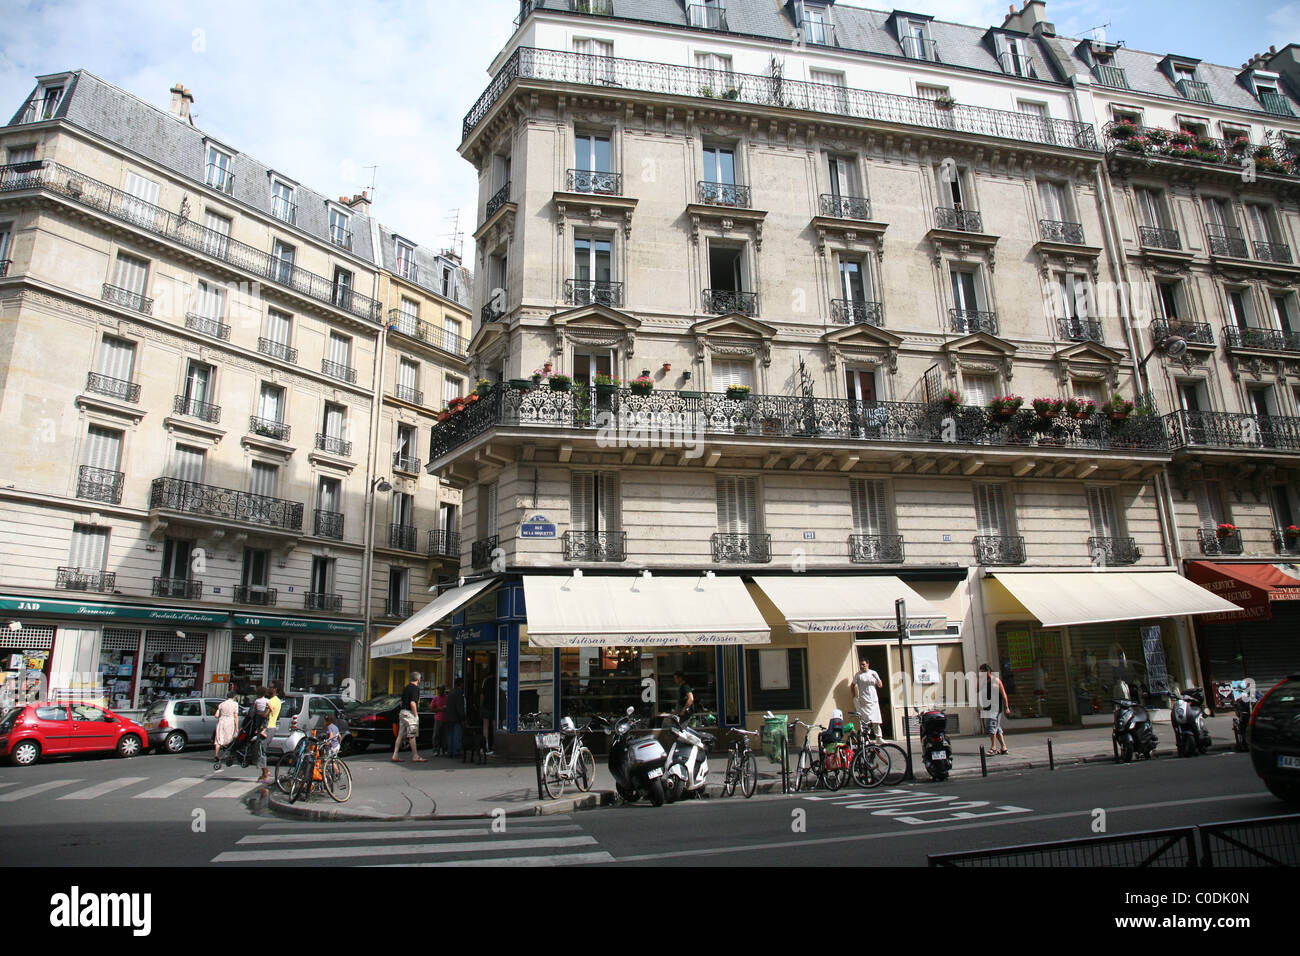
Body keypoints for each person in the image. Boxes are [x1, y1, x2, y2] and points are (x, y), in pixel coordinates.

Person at [392, 672, 426, 762]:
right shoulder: (415, 689)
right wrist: (416, 715)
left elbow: (402, 701)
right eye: (420, 678)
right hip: (409, 713)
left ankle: (395, 754)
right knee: (412, 735)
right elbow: (413, 703)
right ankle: (415, 756)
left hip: (402, 712)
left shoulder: (406, 687)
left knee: (400, 735)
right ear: (418, 679)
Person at [979, 663, 1011, 756]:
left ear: (988, 671)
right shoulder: (984, 682)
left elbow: (1004, 695)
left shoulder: (996, 681)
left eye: (983, 672)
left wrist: (1007, 707)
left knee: (991, 727)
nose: (981, 674)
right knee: (997, 728)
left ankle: (993, 748)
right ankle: (1004, 747)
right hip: (988, 708)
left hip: (995, 708)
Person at [849, 658, 884, 741]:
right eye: (861, 665)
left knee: (876, 720)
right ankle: (866, 739)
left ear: (868, 664)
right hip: (863, 701)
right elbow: (852, 686)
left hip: (873, 700)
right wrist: (854, 697)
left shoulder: (873, 673)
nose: (862, 666)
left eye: (863, 665)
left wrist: (876, 677)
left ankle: (878, 738)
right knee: (865, 721)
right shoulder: (858, 675)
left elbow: (880, 685)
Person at [213, 689, 239, 766]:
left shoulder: (221, 704)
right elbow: (235, 716)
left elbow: (216, 715)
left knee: (218, 738)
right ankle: (228, 754)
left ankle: (216, 755)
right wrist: (237, 727)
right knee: (229, 738)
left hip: (221, 722)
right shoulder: (235, 704)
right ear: (234, 696)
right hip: (230, 722)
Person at [250, 686, 272, 780]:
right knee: (264, 723)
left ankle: (265, 772)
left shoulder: (257, 701)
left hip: (259, 716)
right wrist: (270, 713)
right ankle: (263, 730)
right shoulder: (267, 700)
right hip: (265, 718)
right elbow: (270, 709)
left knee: (260, 749)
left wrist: (255, 713)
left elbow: (253, 710)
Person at [445, 678, 466, 758]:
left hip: (449, 717)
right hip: (456, 717)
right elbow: (459, 706)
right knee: (457, 734)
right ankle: (456, 751)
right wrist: (462, 717)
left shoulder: (451, 692)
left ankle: (450, 751)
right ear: (461, 684)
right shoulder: (459, 692)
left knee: (450, 735)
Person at [480, 671, 498, 756]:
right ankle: (495, 745)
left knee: (485, 725)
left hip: (486, 706)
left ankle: (486, 745)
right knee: (495, 725)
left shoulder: (486, 681)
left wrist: (481, 705)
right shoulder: (498, 680)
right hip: (495, 705)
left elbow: (482, 694)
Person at [431, 684, 448, 756]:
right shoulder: (435, 699)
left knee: (445, 735)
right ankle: (436, 750)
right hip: (438, 719)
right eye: (438, 690)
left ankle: (445, 750)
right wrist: (440, 709)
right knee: (436, 735)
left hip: (446, 719)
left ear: (444, 690)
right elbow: (432, 709)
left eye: (441, 689)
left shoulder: (447, 698)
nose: (439, 691)